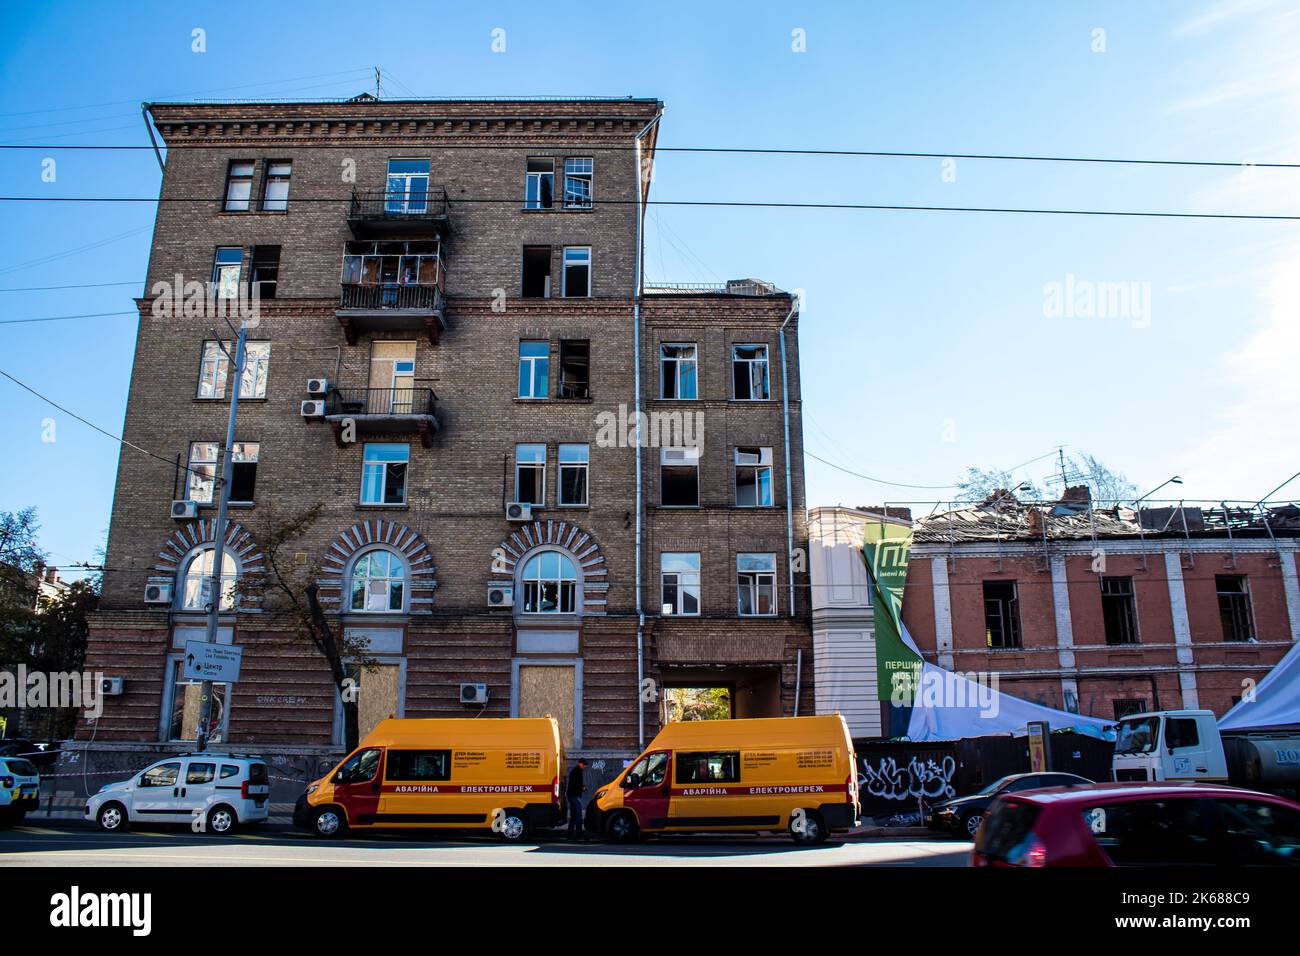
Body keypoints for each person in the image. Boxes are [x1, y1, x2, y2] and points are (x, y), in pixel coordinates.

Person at [567, 758, 588, 840]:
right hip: (575, 796)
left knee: (573, 816)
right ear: (580, 763)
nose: (585, 766)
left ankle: (570, 834)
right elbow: (576, 784)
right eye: (584, 764)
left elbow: (576, 783)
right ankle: (579, 834)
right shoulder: (577, 771)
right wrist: (582, 788)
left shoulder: (576, 771)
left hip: (572, 795)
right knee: (578, 816)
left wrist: (582, 787)